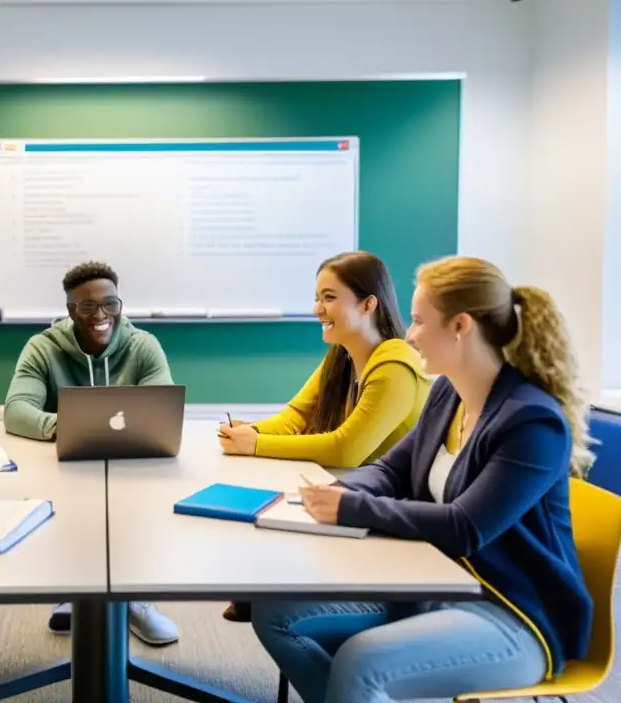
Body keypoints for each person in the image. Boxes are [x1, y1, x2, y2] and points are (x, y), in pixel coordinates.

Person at [250, 256, 594, 703]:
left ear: (460, 326)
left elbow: (464, 527)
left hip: (512, 615)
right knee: (272, 613)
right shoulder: (448, 393)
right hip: (427, 584)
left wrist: (350, 508)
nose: (409, 334)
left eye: (417, 320)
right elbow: (391, 470)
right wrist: (341, 491)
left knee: (360, 662)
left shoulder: (532, 423)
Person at [217, 251, 431, 622]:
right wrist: (250, 432)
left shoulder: (396, 362)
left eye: (329, 297)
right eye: (317, 298)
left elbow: (347, 449)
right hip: (350, 492)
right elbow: (296, 416)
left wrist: (257, 445)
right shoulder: (342, 355)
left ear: (368, 304)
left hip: (389, 513)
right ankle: (264, 592)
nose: (318, 308)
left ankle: (273, 597)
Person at [3, 260, 179, 646]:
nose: (101, 315)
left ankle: (138, 599)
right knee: (71, 512)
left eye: (110, 304)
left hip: (131, 463)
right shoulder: (43, 348)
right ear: (70, 310)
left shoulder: (143, 345)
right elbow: (16, 411)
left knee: (139, 510)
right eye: (87, 306)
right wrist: (66, 427)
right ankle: (74, 590)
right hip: (66, 463)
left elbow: (162, 407)